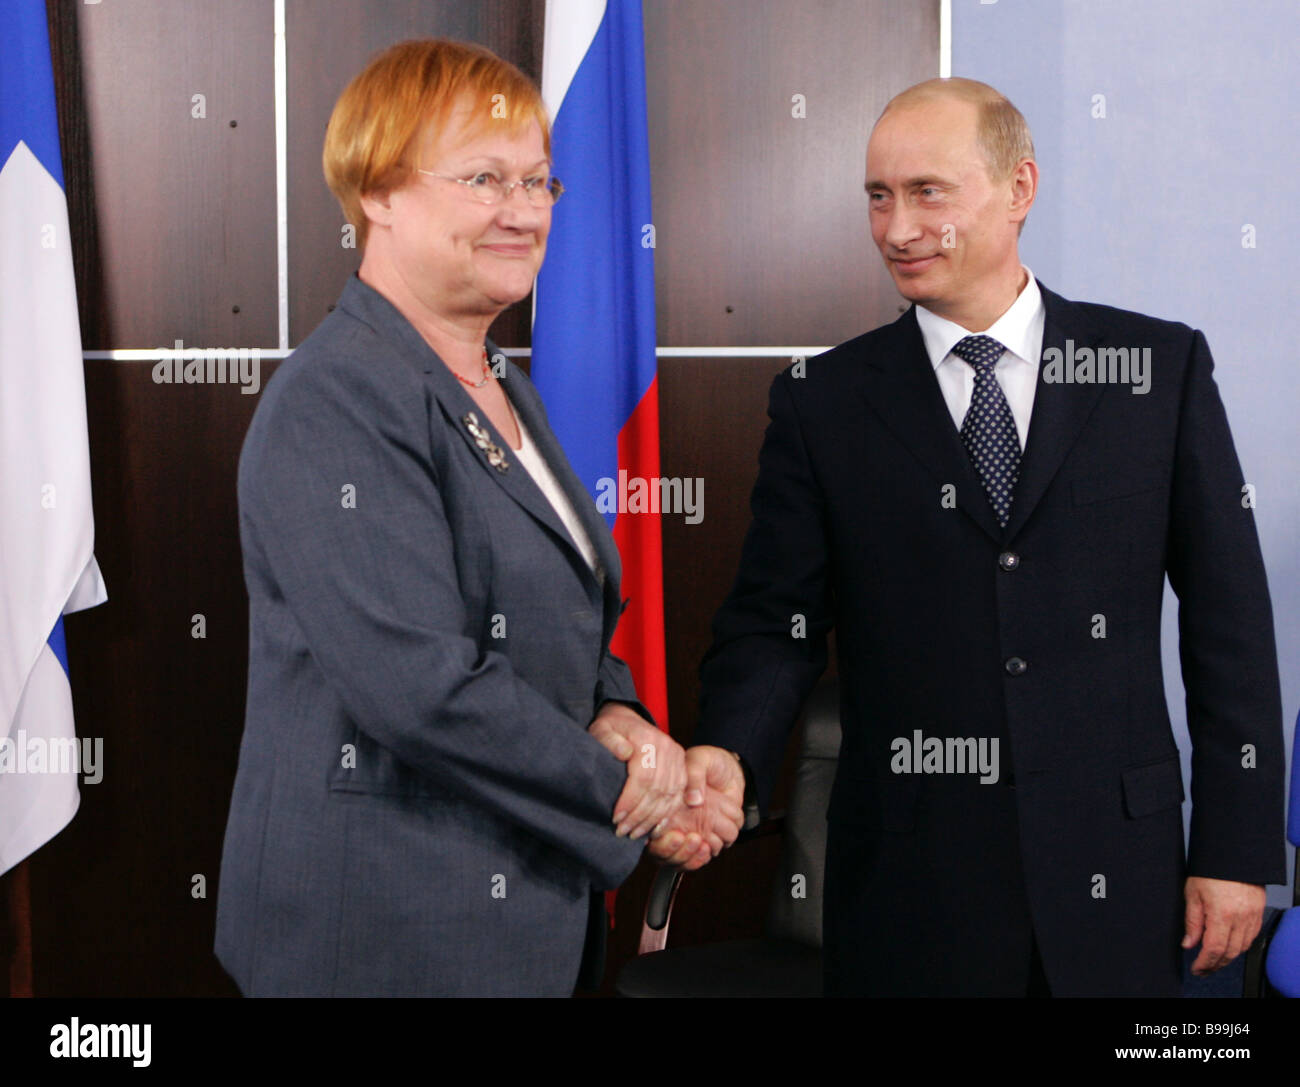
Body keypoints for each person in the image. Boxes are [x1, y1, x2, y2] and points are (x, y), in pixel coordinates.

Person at [694, 77, 1286, 997]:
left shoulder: (1157, 370)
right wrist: (725, 759)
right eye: (878, 197)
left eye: (928, 191)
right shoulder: (822, 402)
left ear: (1020, 189)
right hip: (910, 888)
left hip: (1118, 879)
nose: (896, 227)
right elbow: (776, 626)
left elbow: (1232, 628)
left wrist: (1237, 848)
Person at [214, 38, 741, 997]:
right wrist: (635, 790)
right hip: (386, 933)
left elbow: (557, 615)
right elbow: (419, 684)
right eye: (486, 178)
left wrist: (619, 713)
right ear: (377, 190)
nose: (524, 211)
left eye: (540, 183)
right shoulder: (339, 397)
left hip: (514, 917)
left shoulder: (501, 384)